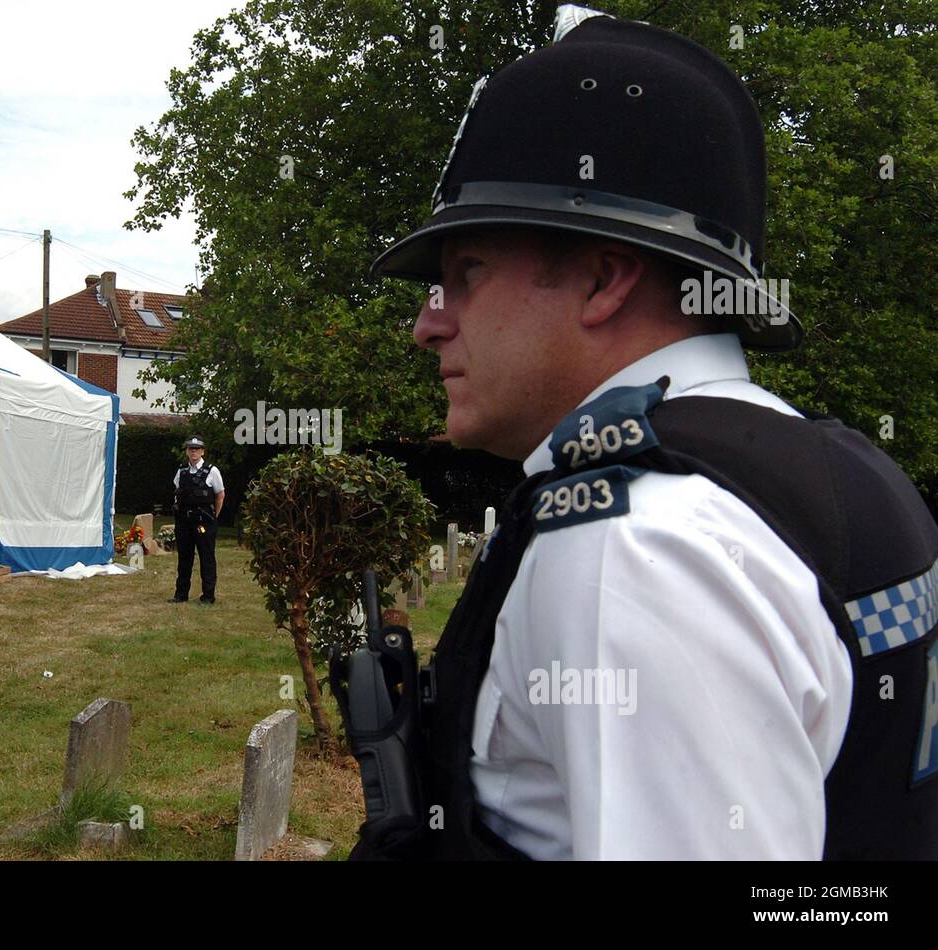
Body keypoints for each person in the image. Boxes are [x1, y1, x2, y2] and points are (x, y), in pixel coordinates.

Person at [347, 6, 938, 859]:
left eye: (465, 273)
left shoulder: (631, 549)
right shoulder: (831, 472)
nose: (426, 326)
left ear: (602, 280)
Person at [169, 436, 224, 604]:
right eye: (191, 449)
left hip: (204, 522)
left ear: (203, 452)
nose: (194, 451)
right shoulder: (182, 471)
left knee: (206, 558)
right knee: (184, 558)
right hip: (184, 522)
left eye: (197, 449)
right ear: (187, 451)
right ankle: (181, 594)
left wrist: (214, 518)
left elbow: (220, 495)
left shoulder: (211, 471)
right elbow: (177, 491)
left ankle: (208, 596)